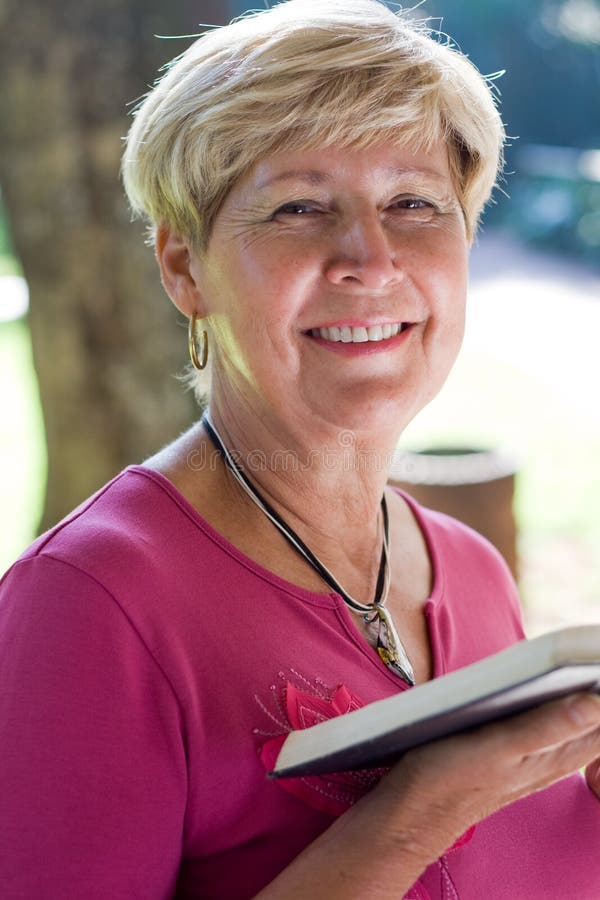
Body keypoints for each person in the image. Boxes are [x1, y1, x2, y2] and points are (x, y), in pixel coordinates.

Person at [1, 1, 600, 897]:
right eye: (298, 207)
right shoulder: (90, 605)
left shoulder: (472, 572)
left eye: (412, 202)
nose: (370, 256)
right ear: (184, 267)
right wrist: (418, 814)